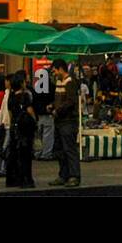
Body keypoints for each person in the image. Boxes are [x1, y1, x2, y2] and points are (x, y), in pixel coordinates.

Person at [49, 59, 81, 187]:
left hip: (68, 121)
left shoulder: (70, 82)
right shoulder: (59, 82)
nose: (54, 74)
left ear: (61, 69)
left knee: (69, 149)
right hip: (59, 121)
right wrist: (52, 105)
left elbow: (70, 101)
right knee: (60, 150)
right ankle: (63, 175)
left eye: (54, 71)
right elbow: (59, 100)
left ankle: (74, 176)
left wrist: (58, 110)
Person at [4, 70, 36, 189]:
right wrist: (34, 122)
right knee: (26, 155)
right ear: (21, 83)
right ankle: (27, 179)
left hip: (15, 128)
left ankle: (13, 179)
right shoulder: (25, 96)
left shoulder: (10, 97)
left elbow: (10, 114)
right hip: (25, 129)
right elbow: (30, 111)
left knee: (15, 154)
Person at [31, 62, 56, 161]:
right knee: (48, 135)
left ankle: (38, 153)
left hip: (38, 115)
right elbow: (54, 99)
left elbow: (34, 102)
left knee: (39, 135)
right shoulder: (51, 86)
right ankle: (46, 153)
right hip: (48, 114)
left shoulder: (36, 87)